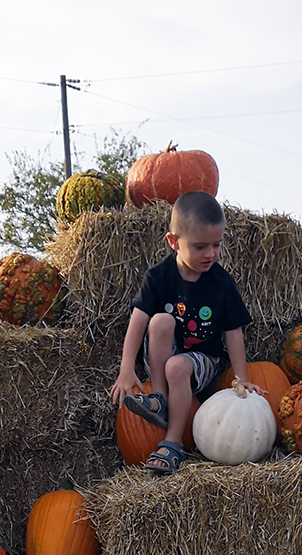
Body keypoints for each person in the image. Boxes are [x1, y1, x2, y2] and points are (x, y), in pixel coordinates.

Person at [110, 190, 266, 476]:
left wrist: (242, 378)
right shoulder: (159, 276)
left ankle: (173, 441)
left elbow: (233, 332)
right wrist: (125, 369)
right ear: (174, 242)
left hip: (201, 361)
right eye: (200, 247)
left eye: (216, 245)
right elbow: (138, 320)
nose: (210, 254)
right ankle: (159, 397)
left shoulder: (222, 283)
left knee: (178, 365)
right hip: (161, 359)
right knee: (160, 321)